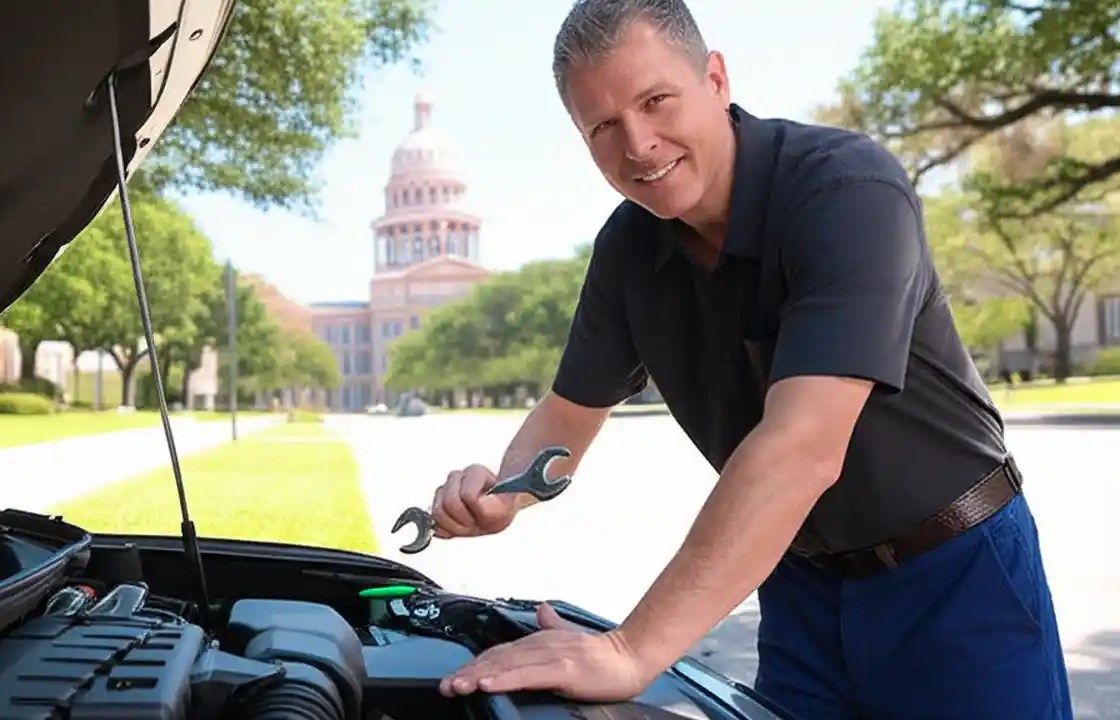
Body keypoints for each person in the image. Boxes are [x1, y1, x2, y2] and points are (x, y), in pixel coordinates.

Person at [431, 1, 1074, 718]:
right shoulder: (627, 249)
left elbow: (800, 451)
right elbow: (568, 411)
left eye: (656, 101)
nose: (638, 145)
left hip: (955, 578)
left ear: (715, 78)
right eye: (603, 127)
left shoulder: (847, 192)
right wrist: (508, 493)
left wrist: (629, 649)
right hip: (798, 589)